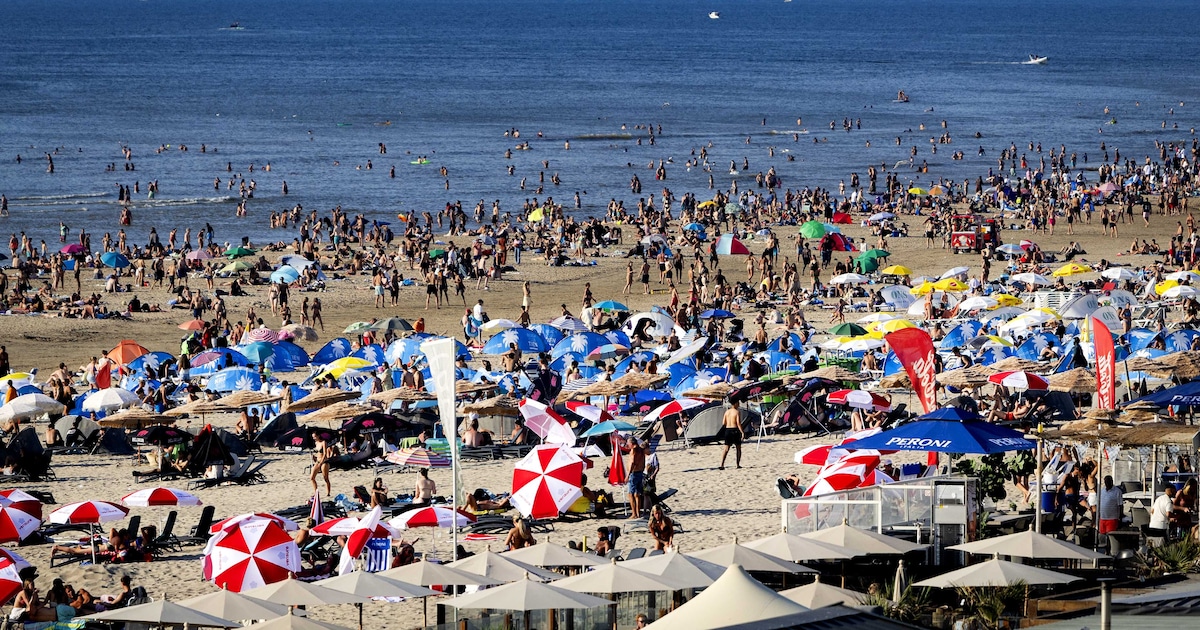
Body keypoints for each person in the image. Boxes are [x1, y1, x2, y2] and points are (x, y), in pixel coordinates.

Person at [719, 399, 744, 470]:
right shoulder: (737, 412)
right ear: (735, 404)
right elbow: (738, 423)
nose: (739, 404)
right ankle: (737, 464)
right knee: (738, 448)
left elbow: (723, 423)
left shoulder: (727, 412)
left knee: (726, 449)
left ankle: (722, 464)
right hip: (735, 430)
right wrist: (742, 432)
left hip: (728, 430)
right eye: (738, 403)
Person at [627, 437, 648, 519]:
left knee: (631, 494)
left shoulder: (634, 451)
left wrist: (627, 475)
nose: (627, 445)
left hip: (634, 473)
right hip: (640, 473)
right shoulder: (640, 449)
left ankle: (634, 513)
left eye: (628, 444)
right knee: (637, 494)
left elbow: (632, 463)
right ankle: (638, 513)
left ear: (631, 443)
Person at [310, 430, 334, 495]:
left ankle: (328, 493)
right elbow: (318, 453)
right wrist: (314, 457)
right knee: (312, 477)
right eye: (313, 437)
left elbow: (325, 454)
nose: (314, 438)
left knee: (325, 478)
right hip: (318, 461)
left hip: (324, 462)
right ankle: (316, 492)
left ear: (318, 436)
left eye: (314, 437)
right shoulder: (316, 443)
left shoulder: (323, 442)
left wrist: (321, 462)